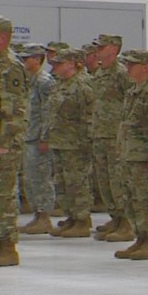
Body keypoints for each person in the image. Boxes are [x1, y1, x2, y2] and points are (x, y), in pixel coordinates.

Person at [112, 50, 148, 260]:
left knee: (146, 200)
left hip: (143, 158)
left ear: (145, 67)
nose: (128, 68)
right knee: (132, 199)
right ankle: (140, 238)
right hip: (130, 155)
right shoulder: (133, 92)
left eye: (132, 64)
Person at [42, 49, 95, 238]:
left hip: (76, 144)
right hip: (60, 141)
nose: (54, 66)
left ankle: (82, 220)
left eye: (59, 63)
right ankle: (71, 217)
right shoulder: (60, 84)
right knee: (62, 182)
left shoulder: (83, 85)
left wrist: (86, 142)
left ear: (72, 63)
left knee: (77, 182)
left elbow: (90, 116)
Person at [90, 34, 135, 243]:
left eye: (103, 46)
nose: (98, 49)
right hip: (99, 133)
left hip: (116, 135)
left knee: (118, 181)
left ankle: (127, 222)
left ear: (115, 48)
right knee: (104, 181)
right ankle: (115, 218)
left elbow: (132, 102)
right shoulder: (100, 72)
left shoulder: (122, 74)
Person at [0, 15, 28, 267]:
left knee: (4, 194)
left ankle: (8, 246)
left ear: (2, 37)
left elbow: (15, 110)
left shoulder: (10, 67)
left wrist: (3, 142)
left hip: (3, 145)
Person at [18, 44, 57, 235]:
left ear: (37, 59)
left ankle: (44, 217)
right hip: (28, 135)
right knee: (30, 178)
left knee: (41, 177)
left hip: (39, 137)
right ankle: (37, 214)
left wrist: (45, 137)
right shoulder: (30, 80)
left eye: (27, 58)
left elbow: (49, 112)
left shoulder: (45, 82)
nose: (24, 62)